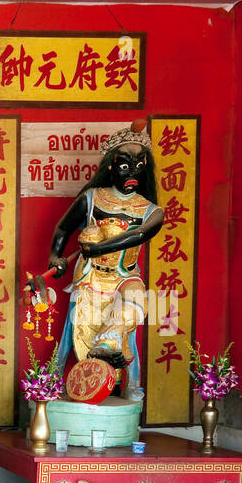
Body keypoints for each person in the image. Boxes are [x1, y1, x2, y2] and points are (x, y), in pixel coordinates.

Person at [46, 121, 163, 401]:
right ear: (111, 166)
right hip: (90, 277)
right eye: (125, 166)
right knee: (77, 327)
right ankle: (52, 381)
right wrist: (56, 256)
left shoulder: (151, 211)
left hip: (125, 274)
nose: (132, 173)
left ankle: (110, 343)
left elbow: (138, 236)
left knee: (135, 303)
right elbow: (63, 228)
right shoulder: (91, 198)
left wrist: (98, 247)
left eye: (139, 166)